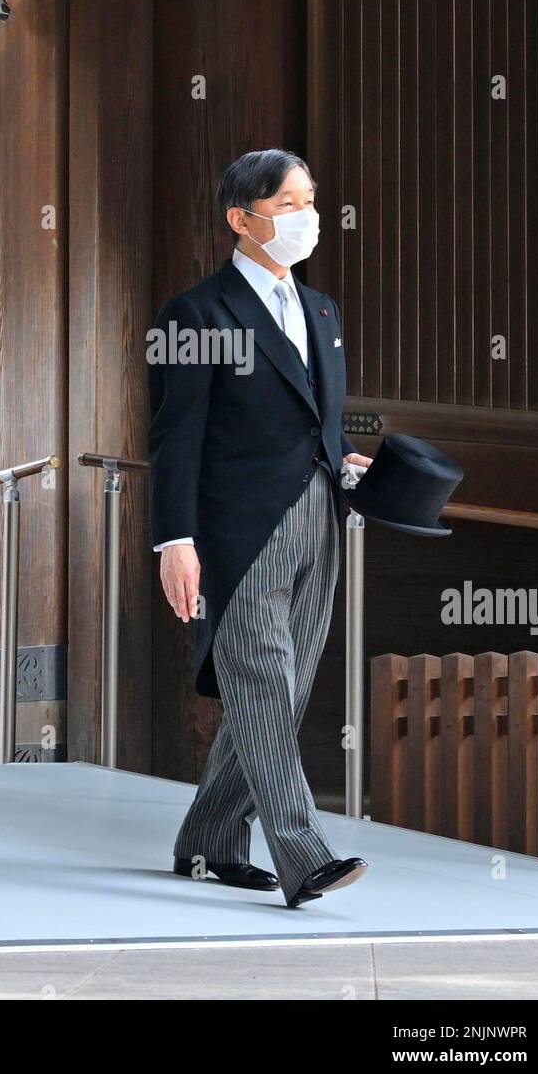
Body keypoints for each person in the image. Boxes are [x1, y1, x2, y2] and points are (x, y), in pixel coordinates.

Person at [148, 149, 372, 907]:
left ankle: (209, 842)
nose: (306, 218)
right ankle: (302, 854)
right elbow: (175, 437)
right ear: (240, 219)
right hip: (236, 535)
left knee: (279, 691)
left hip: (320, 522)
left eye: (310, 200)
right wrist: (174, 541)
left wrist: (346, 464)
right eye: (286, 205)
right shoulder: (195, 314)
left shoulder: (323, 311)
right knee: (264, 686)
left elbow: (321, 423)